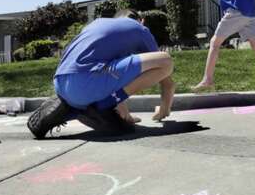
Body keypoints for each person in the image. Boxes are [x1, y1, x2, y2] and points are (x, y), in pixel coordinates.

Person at [26, 11, 174, 138]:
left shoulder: (97, 25)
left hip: (61, 84)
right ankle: (102, 105)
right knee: (166, 61)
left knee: (123, 128)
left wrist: (126, 117)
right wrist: (164, 110)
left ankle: (73, 108)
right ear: (141, 20)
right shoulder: (140, 29)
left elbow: (115, 80)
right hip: (87, 81)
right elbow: (167, 82)